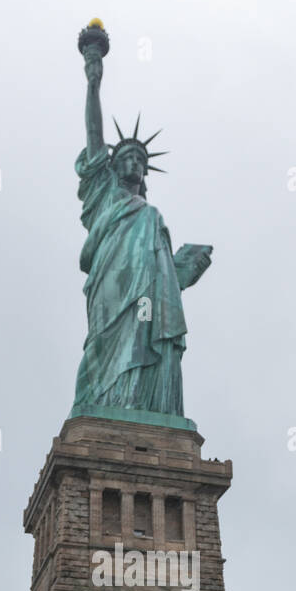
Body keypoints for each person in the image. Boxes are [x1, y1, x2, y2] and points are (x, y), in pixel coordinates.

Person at [71, 32, 212, 417]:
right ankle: (105, 404)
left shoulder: (150, 217)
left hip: (148, 294)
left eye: (140, 160)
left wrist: (181, 270)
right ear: (113, 165)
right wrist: (93, 78)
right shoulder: (103, 195)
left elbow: (168, 280)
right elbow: (95, 135)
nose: (133, 163)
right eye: (127, 157)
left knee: (147, 329)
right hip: (111, 288)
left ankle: (144, 405)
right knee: (104, 344)